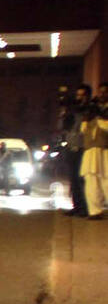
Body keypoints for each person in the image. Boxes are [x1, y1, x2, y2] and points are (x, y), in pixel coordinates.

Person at [59, 84, 92, 216]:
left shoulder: (89, 110)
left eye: (82, 95)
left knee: (82, 179)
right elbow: (63, 127)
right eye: (78, 95)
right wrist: (65, 113)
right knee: (73, 178)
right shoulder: (72, 111)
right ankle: (76, 206)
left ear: (88, 97)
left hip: (83, 148)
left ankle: (86, 207)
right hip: (71, 147)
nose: (80, 98)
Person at [81, 84, 108, 220]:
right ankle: (95, 211)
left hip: (105, 149)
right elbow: (84, 127)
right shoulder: (92, 109)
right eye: (101, 92)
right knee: (91, 180)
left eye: (105, 92)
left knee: (106, 180)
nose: (103, 95)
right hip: (91, 149)